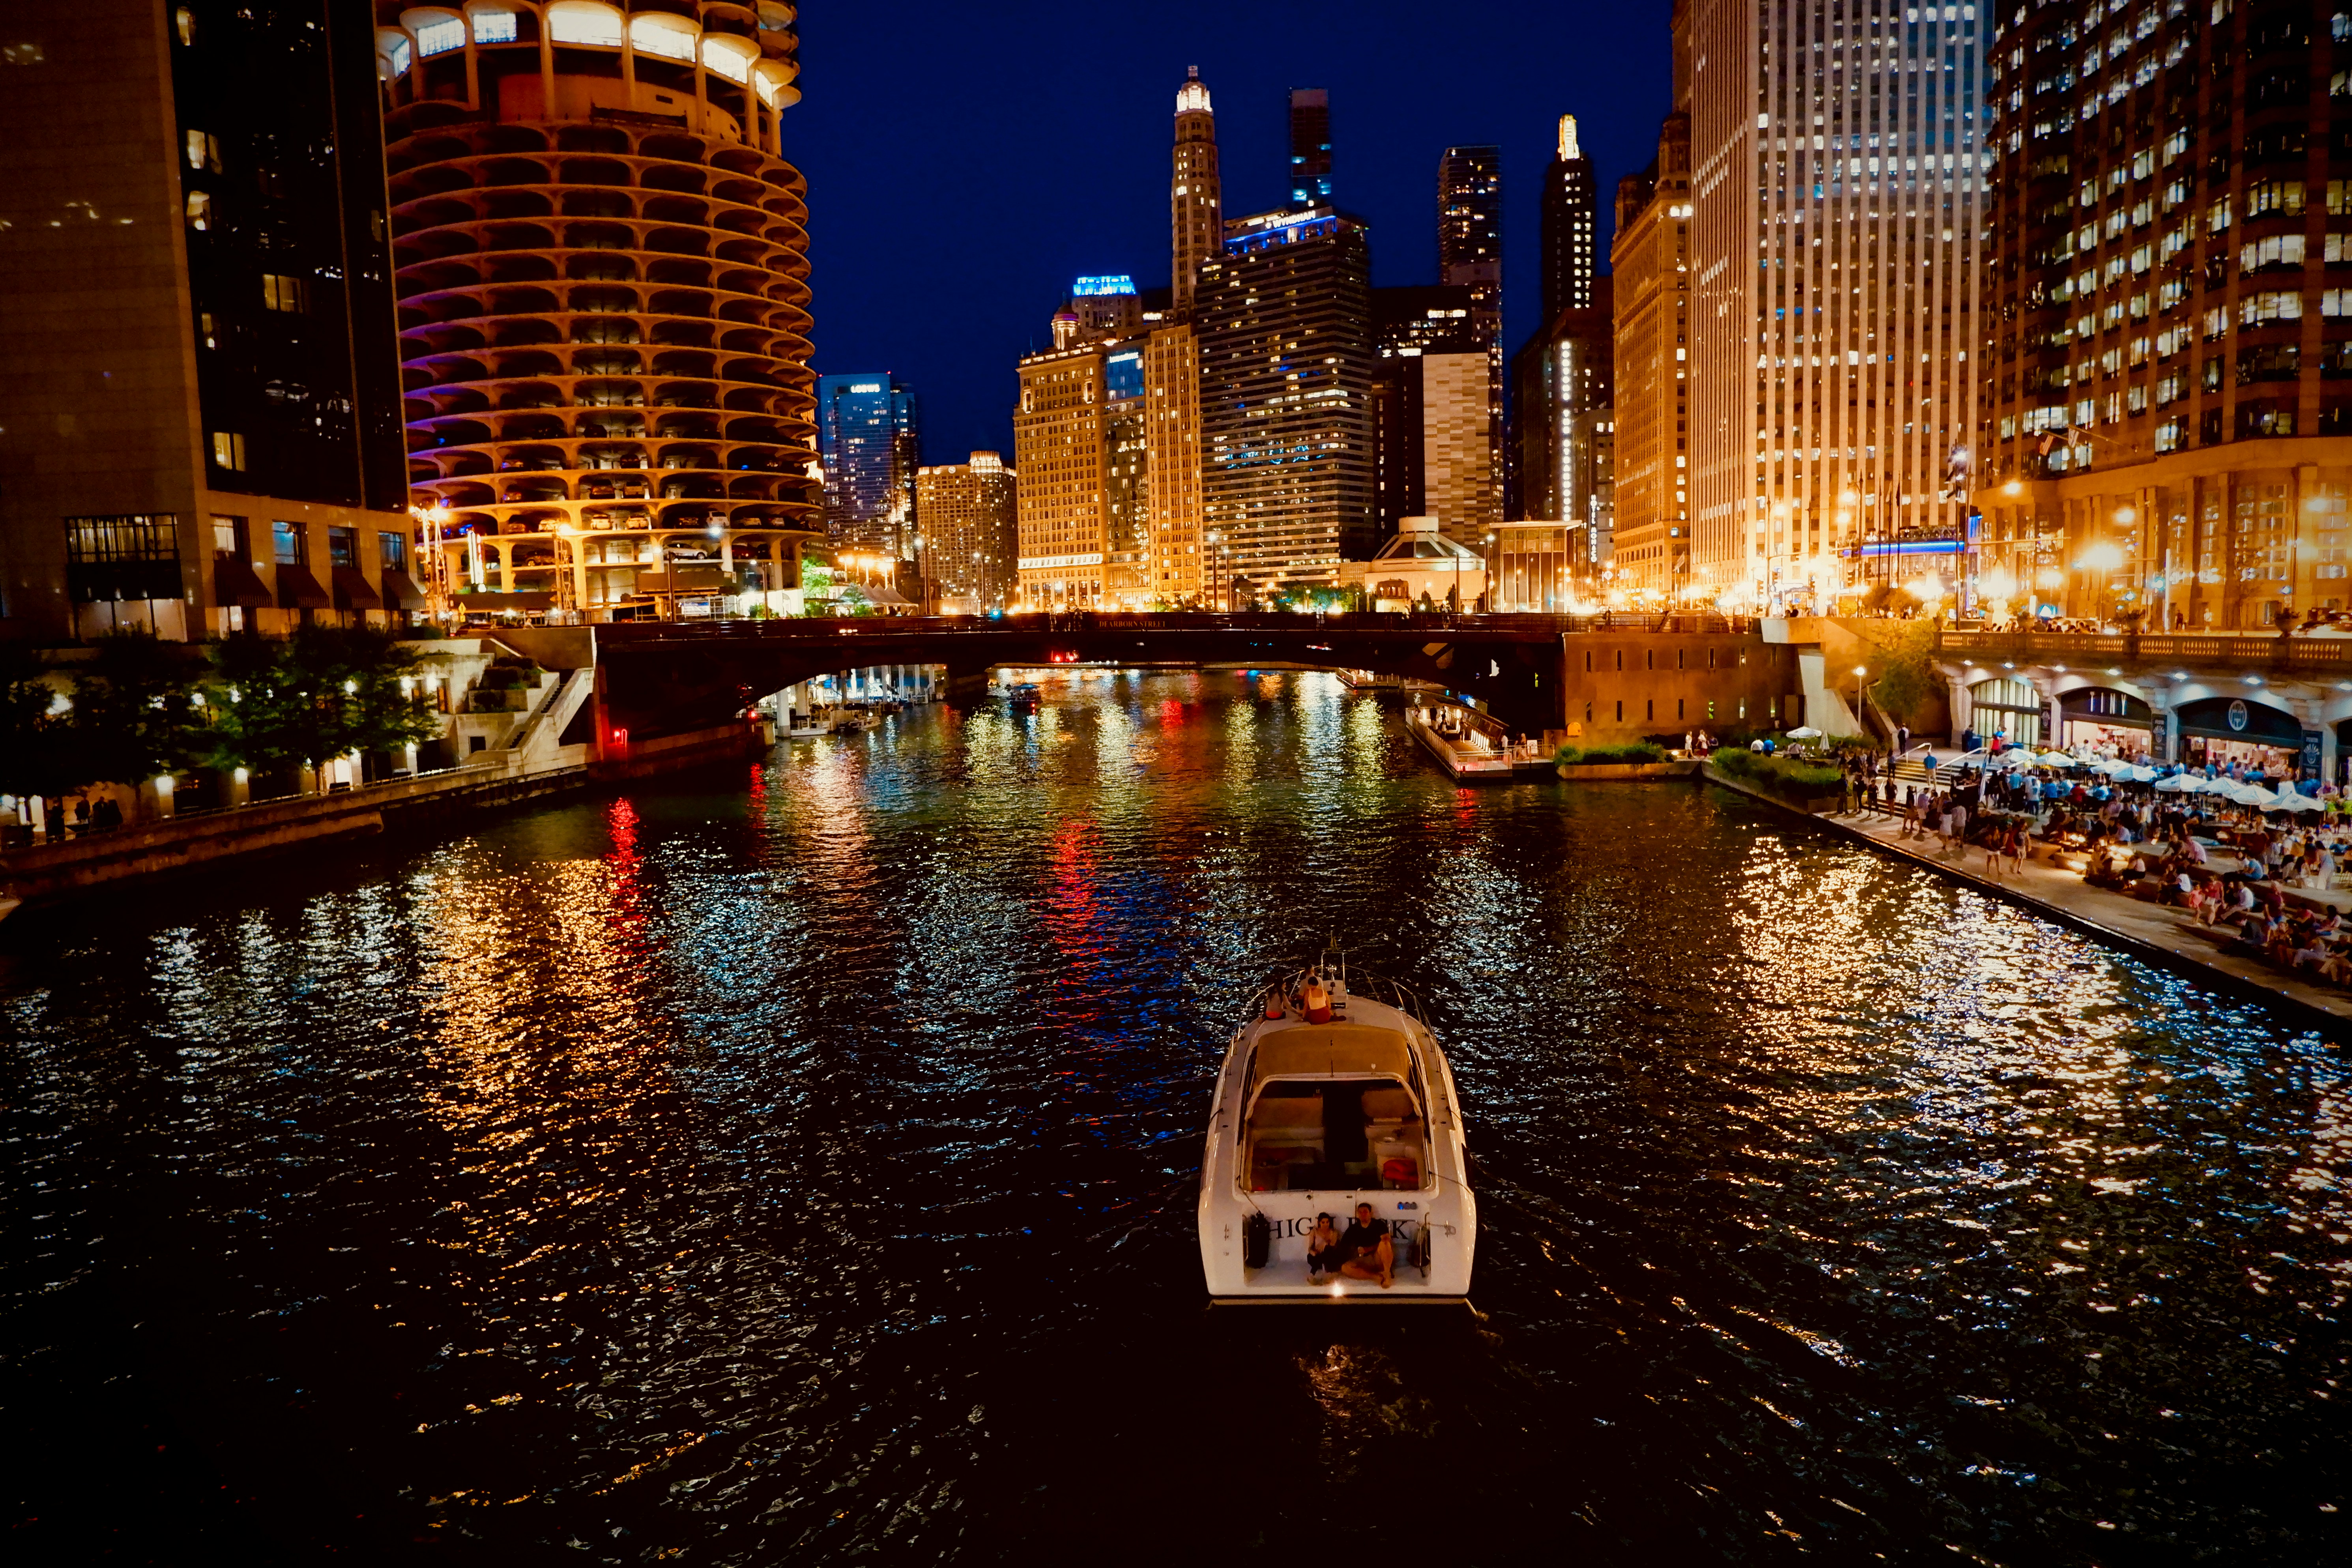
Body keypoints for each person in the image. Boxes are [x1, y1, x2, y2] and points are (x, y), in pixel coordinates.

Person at [1334, 1202, 1394, 1289]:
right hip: (1364, 1260)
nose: (1363, 1214)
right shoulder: (1353, 1229)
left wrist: (1368, 1249)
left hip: (1379, 1258)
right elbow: (1343, 1246)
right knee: (1345, 1268)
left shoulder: (1379, 1225)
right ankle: (1377, 1277)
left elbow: (1386, 1240)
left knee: (1385, 1244)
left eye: (1365, 1212)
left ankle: (1387, 1274)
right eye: (1360, 1212)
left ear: (1371, 1213)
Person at [1305, 1213, 1341, 1280]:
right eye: (1323, 1222)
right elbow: (1310, 1248)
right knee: (1312, 1258)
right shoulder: (1315, 1232)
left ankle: (1314, 1273)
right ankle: (1319, 1273)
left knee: (1328, 1250)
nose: (1326, 1224)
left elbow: (1333, 1246)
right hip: (1317, 1256)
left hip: (1328, 1255)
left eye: (1327, 1222)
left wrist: (1325, 1243)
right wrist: (1314, 1253)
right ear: (1319, 1223)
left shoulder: (1333, 1232)